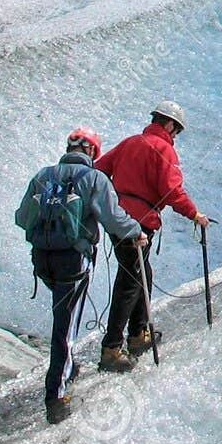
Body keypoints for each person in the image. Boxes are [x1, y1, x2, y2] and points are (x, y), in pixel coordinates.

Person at [14, 129, 145, 423]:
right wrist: (136, 232)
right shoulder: (94, 178)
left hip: (42, 258)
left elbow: (22, 217)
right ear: (93, 153)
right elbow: (112, 216)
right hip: (74, 260)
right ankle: (56, 397)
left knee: (63, 320)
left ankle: (68, 370)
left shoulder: (43, 175)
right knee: (66, 328)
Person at [93, 102, 208, 371]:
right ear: (169, 125)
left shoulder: (130, 142)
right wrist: (195, 215)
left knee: (140, 273)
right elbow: (171, 192)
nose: (175, 136)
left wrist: (113, 199)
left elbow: (98, 170)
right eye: (176, 130)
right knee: (131, 282)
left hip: (117, 219)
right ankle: (112, 348)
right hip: (141, 223)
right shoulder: (163, 148)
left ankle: (138, 334)